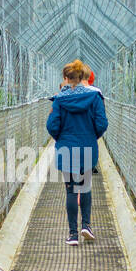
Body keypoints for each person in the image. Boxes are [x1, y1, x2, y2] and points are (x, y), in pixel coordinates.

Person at [46, 59, 108, 246]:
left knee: (71, 190)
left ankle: (73, 235)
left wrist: (61, 138)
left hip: (66, 147)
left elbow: (52, 125)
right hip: (87, 146)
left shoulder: (59, 99)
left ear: (66, 78)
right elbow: (102, 124)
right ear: (82, 77)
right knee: (85, 186)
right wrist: (91, 136)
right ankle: (86, 226)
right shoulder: (95, 97)